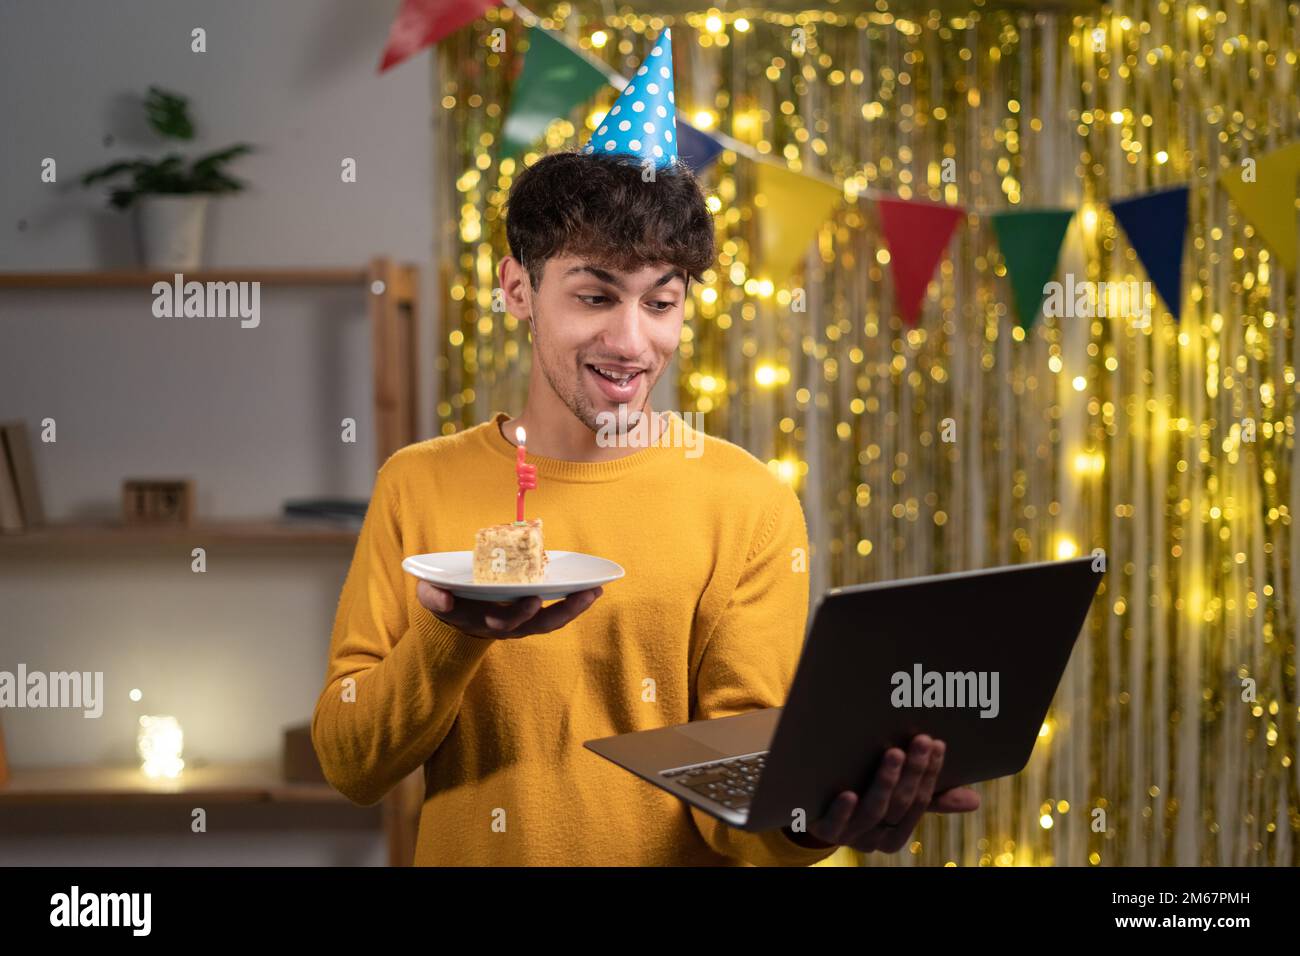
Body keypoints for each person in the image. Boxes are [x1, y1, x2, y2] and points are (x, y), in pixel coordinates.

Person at [311, 26, 978, 865]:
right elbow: (352, 765)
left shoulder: (747, 503)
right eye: (595, 295)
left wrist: (810, 822)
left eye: (661, 304)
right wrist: (453, 635)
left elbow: (737, 806)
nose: (632, 342)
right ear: (518, 288)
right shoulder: (419, 484)